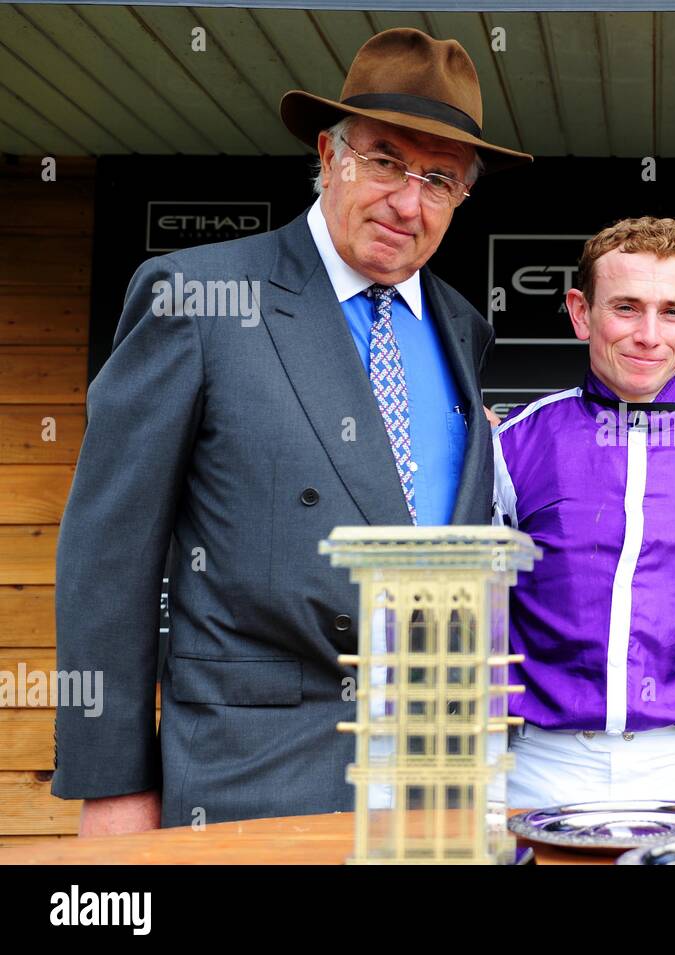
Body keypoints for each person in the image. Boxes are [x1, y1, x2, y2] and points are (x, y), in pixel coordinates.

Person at [52, 28, 532, 833]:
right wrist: (114, 784)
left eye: (438, 179)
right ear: (329, 153)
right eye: (385, 161)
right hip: (254, 779)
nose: (407, 202)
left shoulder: (459, 325)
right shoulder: (198, 298)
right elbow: (108, 556)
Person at [492, 217, 675, 808]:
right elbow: (481, 611)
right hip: (542, 763)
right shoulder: (517, 442)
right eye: (626, 308)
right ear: (581, 313)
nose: (649, 335)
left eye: (671, 312)